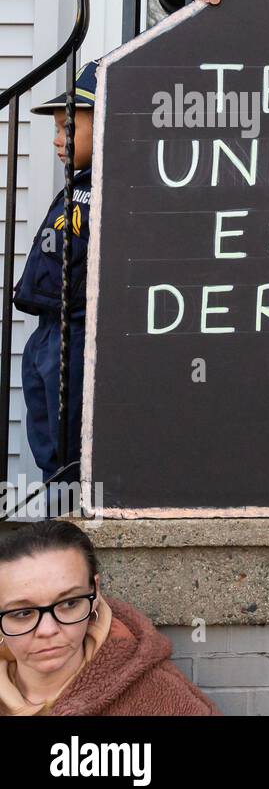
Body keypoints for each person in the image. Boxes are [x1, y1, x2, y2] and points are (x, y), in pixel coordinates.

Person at [0, 521, 218, 715]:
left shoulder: (162, 700)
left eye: (69, 604)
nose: (48, 630)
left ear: (95, 592)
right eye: (23, 613)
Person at [14, 63, 98, 510]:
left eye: (69, 127)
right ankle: (58, 513)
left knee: (71, 445)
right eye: (56, 128)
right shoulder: (73, 185)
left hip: (78, 331)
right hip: (48, 328)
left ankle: (75, 522)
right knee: (45, 435)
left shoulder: (108, 185)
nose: (57, 138)